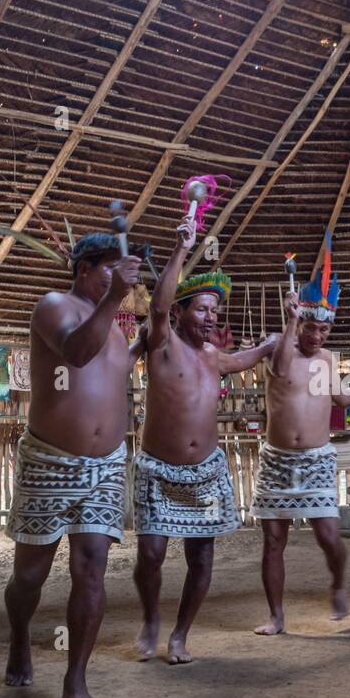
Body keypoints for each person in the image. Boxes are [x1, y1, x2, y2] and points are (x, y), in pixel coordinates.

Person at [4, 231, 142, 698]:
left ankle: (76, 676)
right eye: (109, 267)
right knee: (30, 575)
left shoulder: (119, 329)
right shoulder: (53, 305)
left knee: (91, 570)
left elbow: (114, 366)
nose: (119, 275)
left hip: (106, 466)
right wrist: (115, 297)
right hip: (49, 460)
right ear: (83, 268)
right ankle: (20, 636)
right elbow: (77, 352)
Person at [133, 217, 276, 664]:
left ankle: (179, 635)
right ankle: (151, 620)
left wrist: (275, 340)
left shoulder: (215, 357)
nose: (211, 317)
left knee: (202, 558)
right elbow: (156, 308)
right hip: (158, 470)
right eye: (201, 309)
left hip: (207, 473)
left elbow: (248, 357)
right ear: (180, 312)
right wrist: (181, 248)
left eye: (215, 310)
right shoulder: (161, 343)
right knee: (151, 554)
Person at [252, 251, 350, 634]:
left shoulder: (328, 359)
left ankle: (337, 583)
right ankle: (276, 616)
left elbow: (340, 398)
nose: (317, 337)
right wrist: (289, 322)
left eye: (324, 331)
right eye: (311, 328)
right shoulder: (277, 345)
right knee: (274, 541)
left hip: (317, 459)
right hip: (277, 460)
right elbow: (282, 369)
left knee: (329, 535)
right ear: (299, 320)